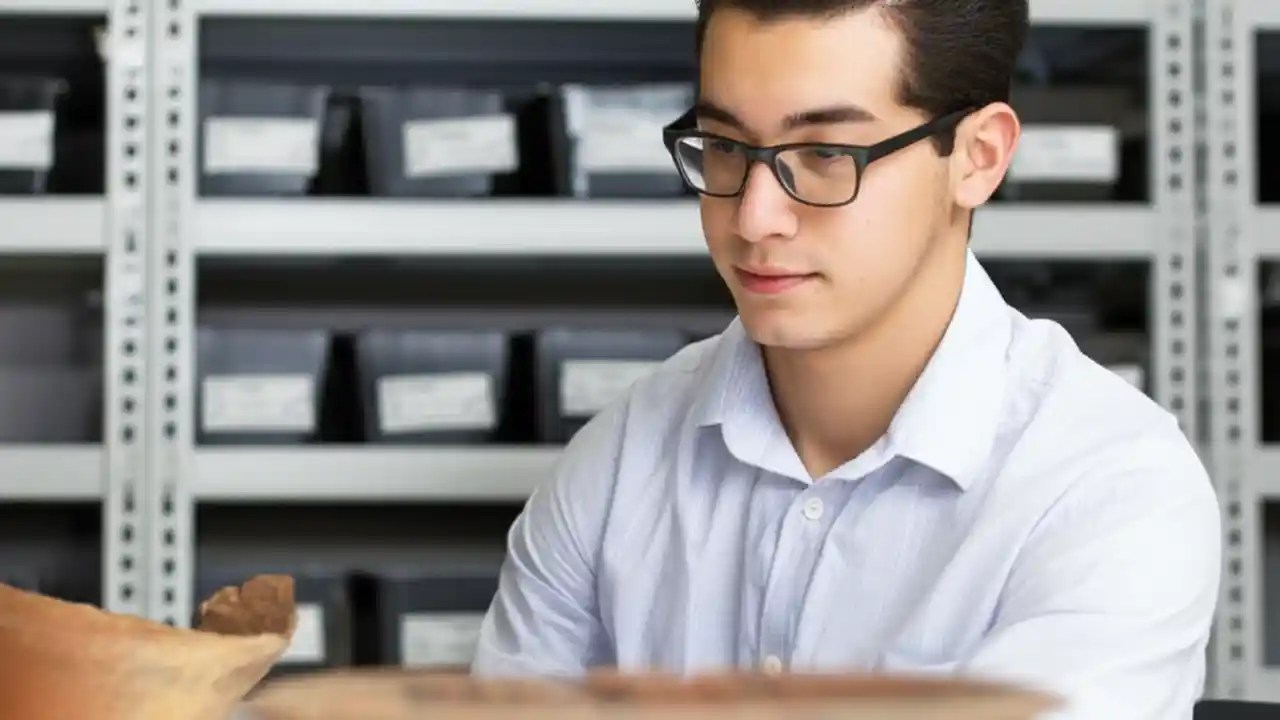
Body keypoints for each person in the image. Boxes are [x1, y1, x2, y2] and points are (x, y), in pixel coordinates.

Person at [471, 1, 1222, 717]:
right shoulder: (618, 463)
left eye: (827, 153)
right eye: (726, 147)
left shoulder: (1107, 491)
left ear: (978, 158)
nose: (755, 217)